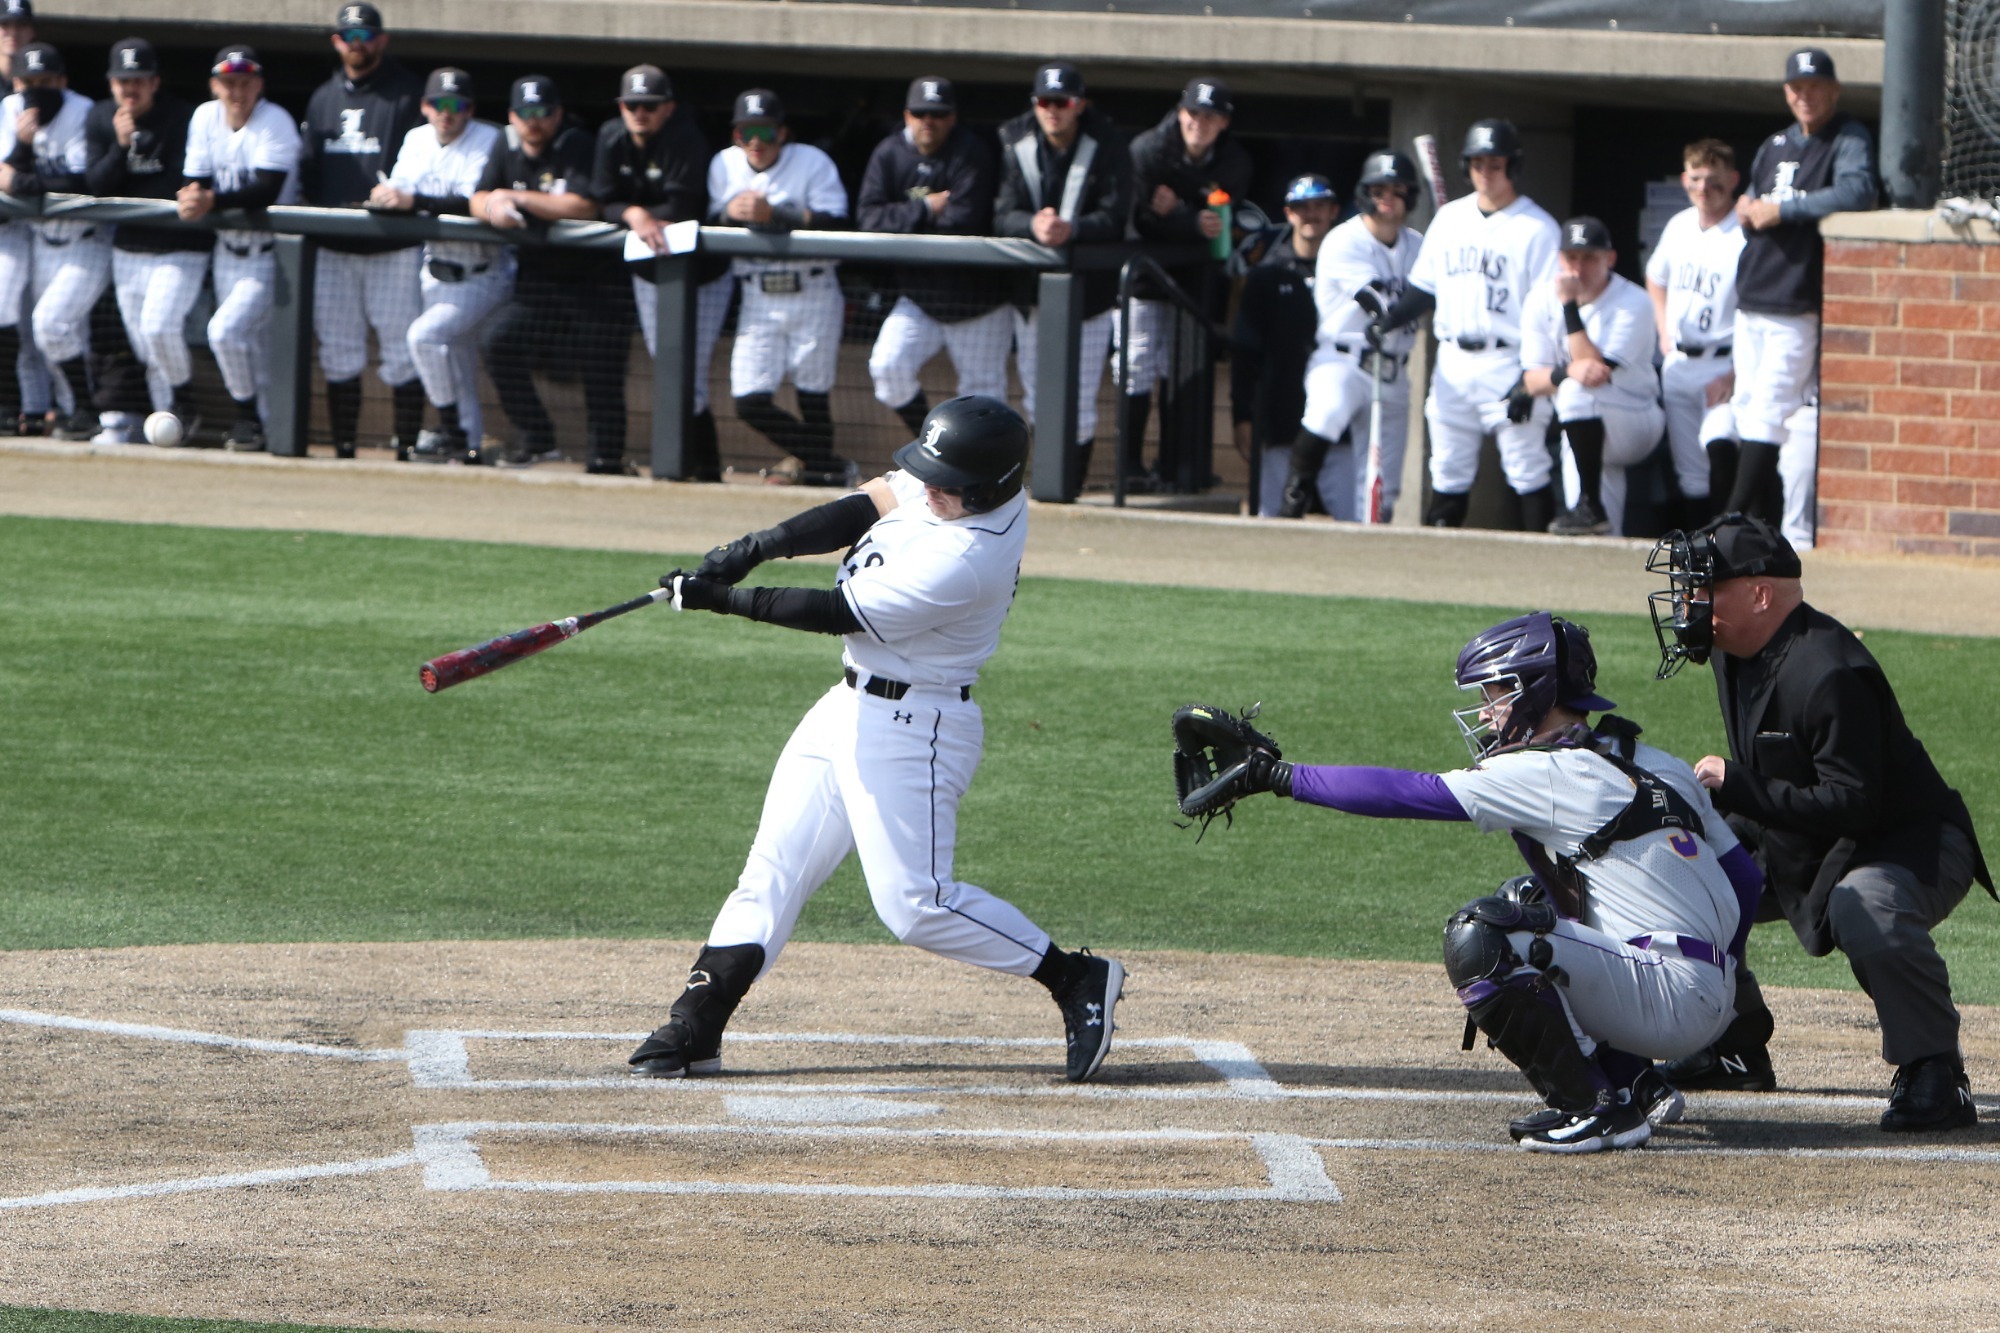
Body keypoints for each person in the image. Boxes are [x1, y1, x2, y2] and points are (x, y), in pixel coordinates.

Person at [629, 394, 1126, 1086]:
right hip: (847, 705)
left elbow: (836, 611)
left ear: (989, 489)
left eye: (946, 484)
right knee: (774, 866)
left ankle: (1075, 976)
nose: (929, 489)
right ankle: (697, 1021)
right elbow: (864, 504)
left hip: (916, 729)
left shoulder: (969, 557)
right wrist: (756, 547)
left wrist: (721, 598)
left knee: (916, 905)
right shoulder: (949, 485)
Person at [1198, 611, 1759, 1152]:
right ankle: (1633, 1080)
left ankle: (1595, 1108)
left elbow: (1411, 793)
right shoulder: (1660, 763)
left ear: (1536, 691)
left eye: (1496, 693)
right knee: (1530, 898)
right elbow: (1745, 881)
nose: (1488, 712)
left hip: (1666, 1000)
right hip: (1705, 991)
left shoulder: (1549, 771)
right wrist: (1721, 982)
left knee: (1482, 937)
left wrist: (1277, 776)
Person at [1647, 514, 1992, 1130]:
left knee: (1865, 905)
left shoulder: (1831, 671)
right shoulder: (1737, 652)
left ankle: (1936, 1071)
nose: (1688, 603)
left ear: (1759, 593)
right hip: (1809, 840)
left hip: (1907, 845)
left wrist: (1740, 786)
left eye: (1704, 587)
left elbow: (1854, 804)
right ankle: (1733, 1041)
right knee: (1685, 871)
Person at [1369, 119, 1561, 532]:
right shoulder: (1450, 219)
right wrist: (1391, 318)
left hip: (1510, 360)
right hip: (1453, 361)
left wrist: (1531, 379)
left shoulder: (1539, 229)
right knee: (1447, 470)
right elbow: (1424, 288)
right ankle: (1440, 566)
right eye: (1477, 163)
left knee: (1527, 469)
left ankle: (1545, 570)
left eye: (1495, 163)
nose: (1486, 172)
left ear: (1513, 166)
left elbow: (1549, 313)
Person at [1729, 48, 1879, 546]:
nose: (1805, 96)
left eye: (1814, 87)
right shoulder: (1776, 142)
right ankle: (1750, 527)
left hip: (1797, 298)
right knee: (1748, 406)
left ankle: (1732, 517)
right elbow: (1755, 199)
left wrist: (1783, 212)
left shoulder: (1847, 137)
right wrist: (1751, 208)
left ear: (1833, 90)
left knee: (1773, 409)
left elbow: (1859, 193)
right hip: (1754, 292)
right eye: (1796, 87)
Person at [994, 62, 1132, 498]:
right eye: (1045, 102)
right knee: (1037, 398)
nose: (1053, 111)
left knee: (1081, 404)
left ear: (1080, 105)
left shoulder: (1108, 142)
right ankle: (1039, 487)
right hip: (1032, 294)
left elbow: (1115, 214)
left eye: (1063, 102)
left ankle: (1067, 488)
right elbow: (1001, 213)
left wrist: (1073, 229)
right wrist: (1033, 224)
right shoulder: (1013, 138)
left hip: (1089, 296)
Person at [297, 2, 426, 459]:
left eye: (366, 36)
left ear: (381, 40)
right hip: (334, 247)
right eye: (349, 37)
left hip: (393, 246)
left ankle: (406, 450)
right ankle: (344, 451)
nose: (358, 45)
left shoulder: (408, 93)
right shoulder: (322, 97)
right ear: (337, 42)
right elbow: (308, 173)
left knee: (402, 348)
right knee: (338, 351)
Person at [709, 88, 851, 486]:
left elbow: (839, 221)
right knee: (748, 399)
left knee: (813, 390)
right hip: (757, 292)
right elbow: (708, 219)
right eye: (746, 133)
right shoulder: (723, 164)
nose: (756, 142)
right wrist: (726, 213)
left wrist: (777, 215)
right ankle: (827, 462)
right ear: (736, 135)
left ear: (782, 133)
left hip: (813, 287)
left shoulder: (812, 161)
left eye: (766, 132)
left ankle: (817, 470)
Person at [470, 75, 611, 470]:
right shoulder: (506, 143)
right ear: (513, 116)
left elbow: (585, 205)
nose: (534, 122)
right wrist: (492, 207)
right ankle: (537, 436)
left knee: (601, 371)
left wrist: (517, 197)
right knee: (498, 341)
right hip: (537, 283)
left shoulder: (577, 143)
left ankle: (606, 458)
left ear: (557, 114)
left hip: (591, 282)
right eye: (526, 113)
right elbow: (479, 196)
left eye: (543, 113)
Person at [859, 75, 1011, 438]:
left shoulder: (970, 152)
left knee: (983, 399)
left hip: (978, 303)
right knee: (887, 367)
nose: (929, 121)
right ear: (907, 115)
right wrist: (927, 208)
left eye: (938, 114)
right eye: (921, 113)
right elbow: (868, 218)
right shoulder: (889, 153)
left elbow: (962, 220)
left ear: (952, 117)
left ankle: (979, 479)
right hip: (921, 298)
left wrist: (901, 217)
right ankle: (933, 440)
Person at [370, 68, 505, 464]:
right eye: (439, 104)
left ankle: (450, 429)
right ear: (426, 106)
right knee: (457, 366)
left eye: (457, 105)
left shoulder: (489, 139)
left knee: (424, 338)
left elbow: (470, 201)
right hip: (433, 270)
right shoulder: (416, 139)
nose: (447, 113)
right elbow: (400, 189)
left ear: (470, 109)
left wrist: (413, 200)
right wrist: (388, 196)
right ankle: (468, 446)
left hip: (481, 270)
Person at [1122, 76, 1250, 491]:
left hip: (1197, 281)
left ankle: (1179, 467)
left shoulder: (1233, 160)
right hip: (1144, 276)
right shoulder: (1149, 149)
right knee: (1136, 366)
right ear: (1180, 113)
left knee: (1186, 370)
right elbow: (1138, 218)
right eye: (1194, 113)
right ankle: (1129, 468)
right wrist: (1189, 219)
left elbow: (1223, 219)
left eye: (1211, 116)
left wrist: (1178, 208)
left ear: (1224, 123)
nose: (1200, 123)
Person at [175, 45, 301, 453]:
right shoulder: (204, 117)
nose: (237, 90)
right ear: (215, 85)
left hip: (272, 255)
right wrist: (193, 196)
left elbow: (266, 188)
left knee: (225, 332)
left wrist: (209, 200)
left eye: (245, 81)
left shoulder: (275, 121)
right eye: (228, 81)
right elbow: (195, 177)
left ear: (259, 84)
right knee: (251, 348)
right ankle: (262, 434)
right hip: (226, 253)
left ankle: (246, 417)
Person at [591, 64, 715, 478]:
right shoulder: (611, 136)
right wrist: (634, 213)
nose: (639, 112)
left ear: (667, 108)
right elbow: (601, 199)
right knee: (668, 364)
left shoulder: (685, 138)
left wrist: (642, 216)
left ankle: (706, 468)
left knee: (689, 374)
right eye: (631, 105)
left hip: (703, 277)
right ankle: (694, 468)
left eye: (649, 105)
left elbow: (685, 206)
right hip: (649, 270)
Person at [1287, 150, 1422, 523]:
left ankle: (1372, 551)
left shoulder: (1420, 246)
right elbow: (1376, 300)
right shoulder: (1345, 239)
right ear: (1364, 194)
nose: (1387, 199)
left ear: (1409, 196)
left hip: (1393, 368)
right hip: (1342, 359)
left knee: (1385, 487)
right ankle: (1293, 499)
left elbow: (1440, 294)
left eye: (1396, 191)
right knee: (1327, 413)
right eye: (1379, 190)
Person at [85, 37, 204, 442]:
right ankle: (167, 431)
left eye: (138, 80)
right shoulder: (103, 117)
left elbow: (181, 181)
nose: (129, 89)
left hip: (180, 247)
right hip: (128, 249)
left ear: (155, 82)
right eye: (122, 80)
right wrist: (120, 147)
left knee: (159, 327)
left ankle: (184, 403)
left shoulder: (182, 117)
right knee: (145, 346)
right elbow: (96, 185)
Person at [1518, 216, 1665, 537]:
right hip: (1583, 428)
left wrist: (1569, 307)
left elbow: (1592, 371)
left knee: (1574, 392)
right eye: (1571, 257)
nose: (1578, 268)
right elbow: (1532, 382)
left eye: (1589, 258)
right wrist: (1566, 370)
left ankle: (1590, 504)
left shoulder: (1634, 301)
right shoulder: (1539, 299)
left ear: (1609, 259)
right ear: (1559, 259)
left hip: (1635, 418)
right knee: (1591, 533)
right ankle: (1593, 512)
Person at [0, 41, 106, 440]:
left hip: (85, 238)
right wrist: (23, 146)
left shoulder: (82, 111)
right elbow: (2, 176)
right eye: (30, 82)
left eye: (46, 81)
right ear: (16, 82)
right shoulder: (9, 110)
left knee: (51, 325)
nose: (37, 89)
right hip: (39, 240)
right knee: (41, 335)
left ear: (62, 81)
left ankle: (86, 408)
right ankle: (65, 413)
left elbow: (79, 182)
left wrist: (23, 179)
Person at [1645, 139, 1745, 531]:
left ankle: (1726, 548)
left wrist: (1736, 374)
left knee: (1720, 449)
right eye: (1697, 179)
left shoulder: (1744, 231)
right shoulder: (1679, 224)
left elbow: (1758, 310)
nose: (1704, 189)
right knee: (1689, 474)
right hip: (1680, 361)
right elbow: (1656, 277)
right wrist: (1662, 329)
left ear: (1734, 180)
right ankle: (1698, 556)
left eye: (1715, 181)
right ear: (1685, 179)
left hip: (1724, 362)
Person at [1229, 174, 1336, 518]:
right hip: (1281, 419)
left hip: (1340, 424)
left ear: (1334, 211)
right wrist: (1242, 414)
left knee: (1355, 517)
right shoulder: (1266, 276)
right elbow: (1245, 350)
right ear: (1289, 214)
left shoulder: (1352, 272)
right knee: (1272, 519)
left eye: (1320, 206)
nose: (1311, 215)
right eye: (1302, 208)